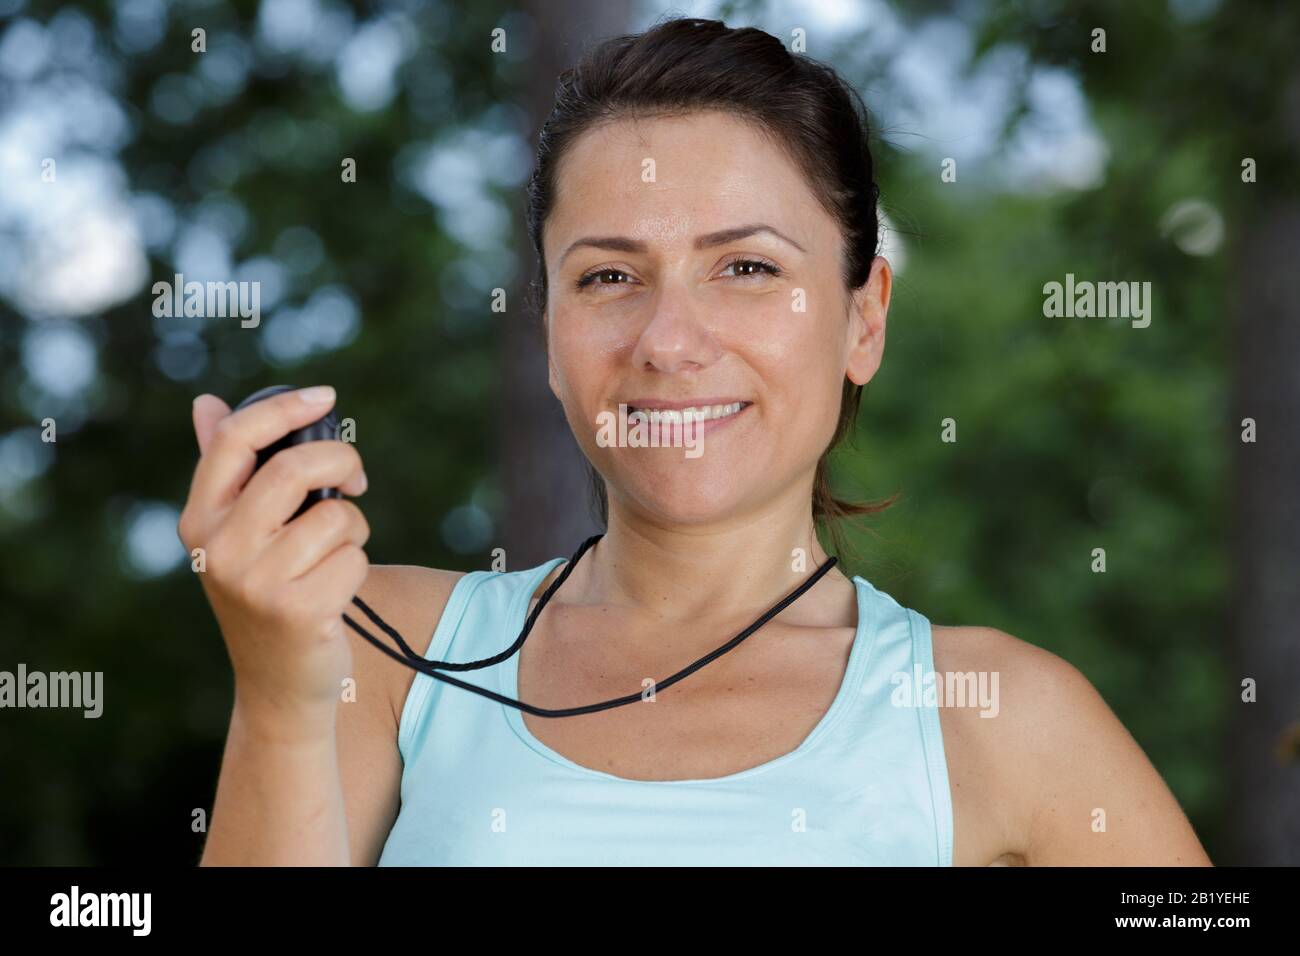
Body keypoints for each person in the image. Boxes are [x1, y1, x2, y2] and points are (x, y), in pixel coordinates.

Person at [179, 17, 1211, 866]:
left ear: (864, 319)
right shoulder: (374, 646)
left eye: (747, 267)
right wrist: (277, 697)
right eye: (608, 277)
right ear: (548, 333)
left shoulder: (1003, 716)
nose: (668, 344)